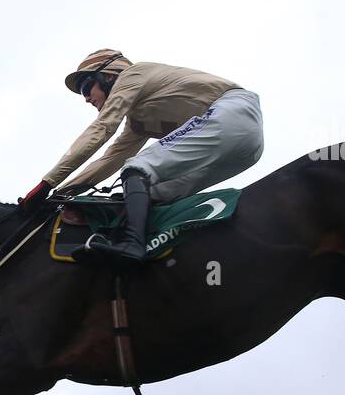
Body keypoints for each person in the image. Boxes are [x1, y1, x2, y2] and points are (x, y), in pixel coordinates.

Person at [19, 49, 264, 263]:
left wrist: (46, 183)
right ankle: (153, 249)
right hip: (245, 150)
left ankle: (132, 244)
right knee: (151, 192)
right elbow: (109, 160)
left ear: (108, 76)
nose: (85, 98)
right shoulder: (137, 123)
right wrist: (60, 194)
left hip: (232, 112)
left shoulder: (133, 74)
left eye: (86, 87)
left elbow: (102, 128)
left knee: (137, 167)